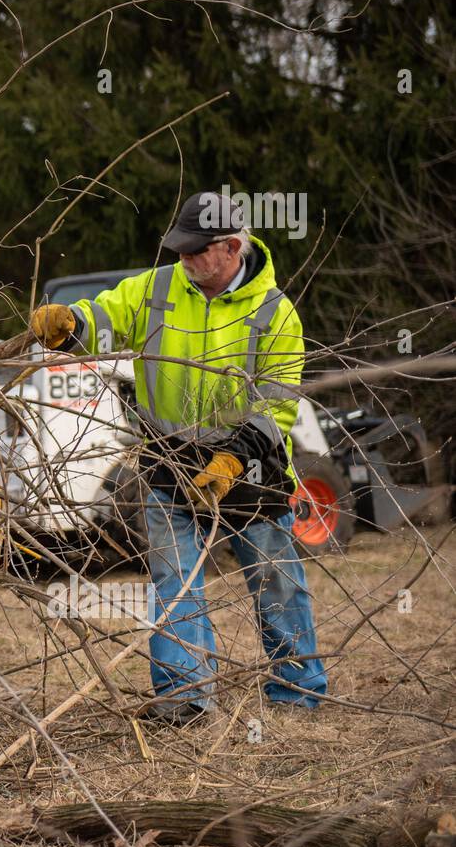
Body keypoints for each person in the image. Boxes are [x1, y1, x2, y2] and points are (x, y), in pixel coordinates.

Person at [28, 191, 327, 723]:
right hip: (168, 460)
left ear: (232, 247)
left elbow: (276, 407)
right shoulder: (160, 287)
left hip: (249, 466)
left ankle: (298, 690)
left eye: (196, 251)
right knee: (175, 579)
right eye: (180, 250)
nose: (185, 260)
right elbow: (107, 314)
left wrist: (232, 463)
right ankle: (184, 699)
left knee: (274, 578)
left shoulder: (277, 316)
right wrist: (70, 322)